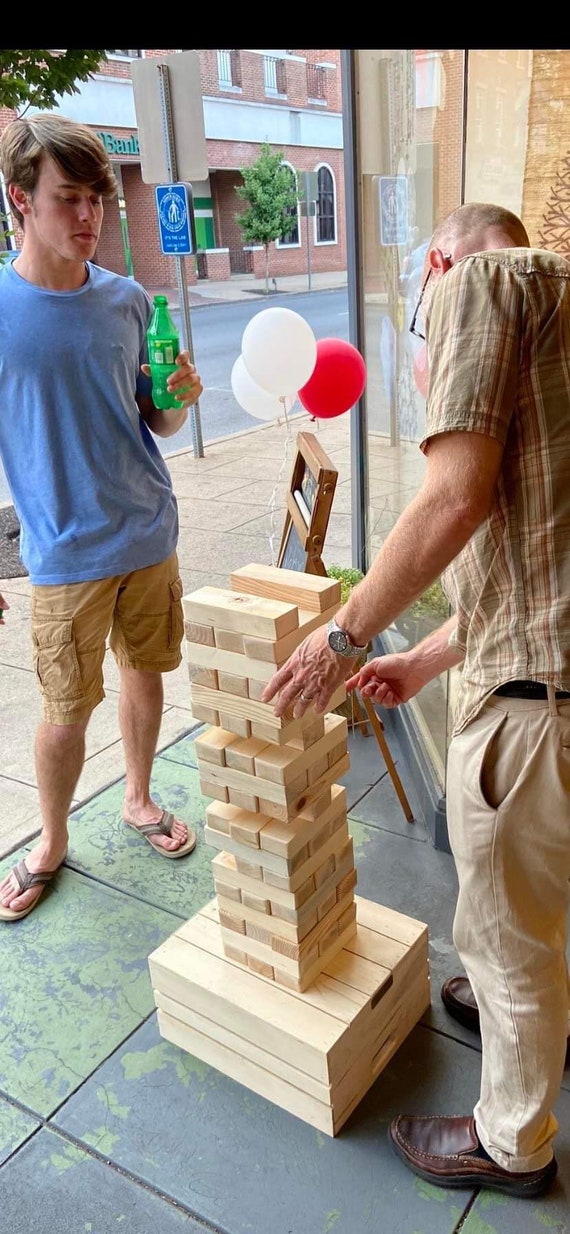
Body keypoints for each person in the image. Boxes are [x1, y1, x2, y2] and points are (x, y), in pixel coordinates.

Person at [262, 202, 570, 1198]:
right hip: (552, 682)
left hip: (539, 719)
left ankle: (512, 1141)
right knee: (541, 914)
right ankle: (521, 1014)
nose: (429, 356)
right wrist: (427, 661)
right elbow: (531, 578)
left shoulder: (481, 282)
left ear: (442, 260)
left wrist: (343, 635)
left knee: (508, 929)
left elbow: (452, 496)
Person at [0, 114, 204, 922]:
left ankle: (140, 797)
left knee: (147, 672)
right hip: (62, 550)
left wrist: (178, 399)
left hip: (147, 531)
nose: (89, 216)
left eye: (99, 200)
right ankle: (50, 840)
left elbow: (155, 423)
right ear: (20, 198)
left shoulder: (127, 300)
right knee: (63, 709)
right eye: (68, 198)